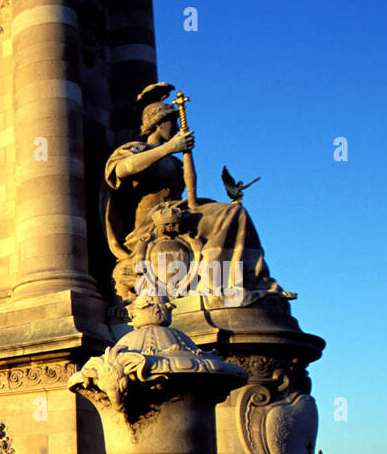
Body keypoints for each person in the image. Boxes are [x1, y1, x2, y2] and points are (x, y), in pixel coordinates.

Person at [102, 82, 292, 308]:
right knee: (231, 214)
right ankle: (220, 285)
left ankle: (252, 281)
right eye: (171, 122)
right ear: (157, 124)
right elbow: (121, 170)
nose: (174, 127)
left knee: (234, 212)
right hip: (153, 223)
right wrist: (168, 148)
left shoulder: (172, 160)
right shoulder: (137, 149)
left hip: (179, 212)